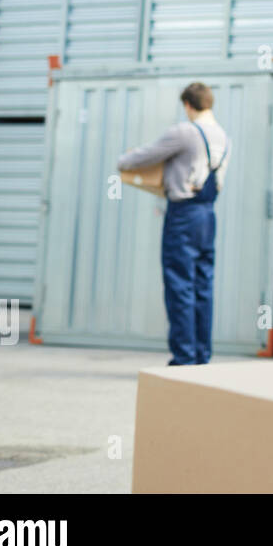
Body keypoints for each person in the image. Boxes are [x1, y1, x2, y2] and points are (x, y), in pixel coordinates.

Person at [117, 82, 230, 365]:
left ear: (188, 105)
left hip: (183, 216)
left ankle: (183, 357)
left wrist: (123, 161)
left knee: (179, 285)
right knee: (203, 286)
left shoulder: (185, 132)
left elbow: (145, 156)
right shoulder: (223, 136)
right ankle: (202, 356)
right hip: (207, 215)